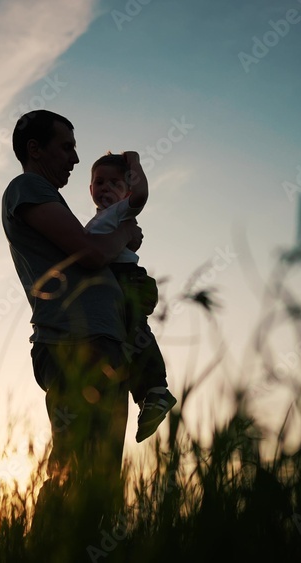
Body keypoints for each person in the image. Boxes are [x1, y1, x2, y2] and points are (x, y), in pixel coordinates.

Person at [0, 110, 142, 550]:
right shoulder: (28, 188)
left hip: (100, 344)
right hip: (73, 345)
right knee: (77, 466)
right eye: (67, 146)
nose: (77, 159)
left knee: (100, 472)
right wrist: (124, 235)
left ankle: (84, 549)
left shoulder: (48, 196)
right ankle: (50, 552)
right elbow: (90, 254)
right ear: (35, 150)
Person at [85, 152, 177, 443]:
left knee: (135, 331)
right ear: (90, 190)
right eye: (99, 182)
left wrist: (135, 164)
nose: (105, 188)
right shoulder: (97, 219)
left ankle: (157, 390)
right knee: (125, 338)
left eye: (115, 183)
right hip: (112, 282)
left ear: (126, 191)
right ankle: (149, 395)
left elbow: (142, 195)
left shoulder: (121, 212)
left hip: (125, 278)